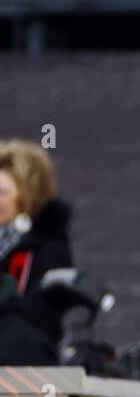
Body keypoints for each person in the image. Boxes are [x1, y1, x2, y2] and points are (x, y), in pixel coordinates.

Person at [0, 140, 75, 365]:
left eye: (2, 193)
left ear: (27, 195)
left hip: (23, 366)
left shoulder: (48, 251)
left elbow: (42, 316)